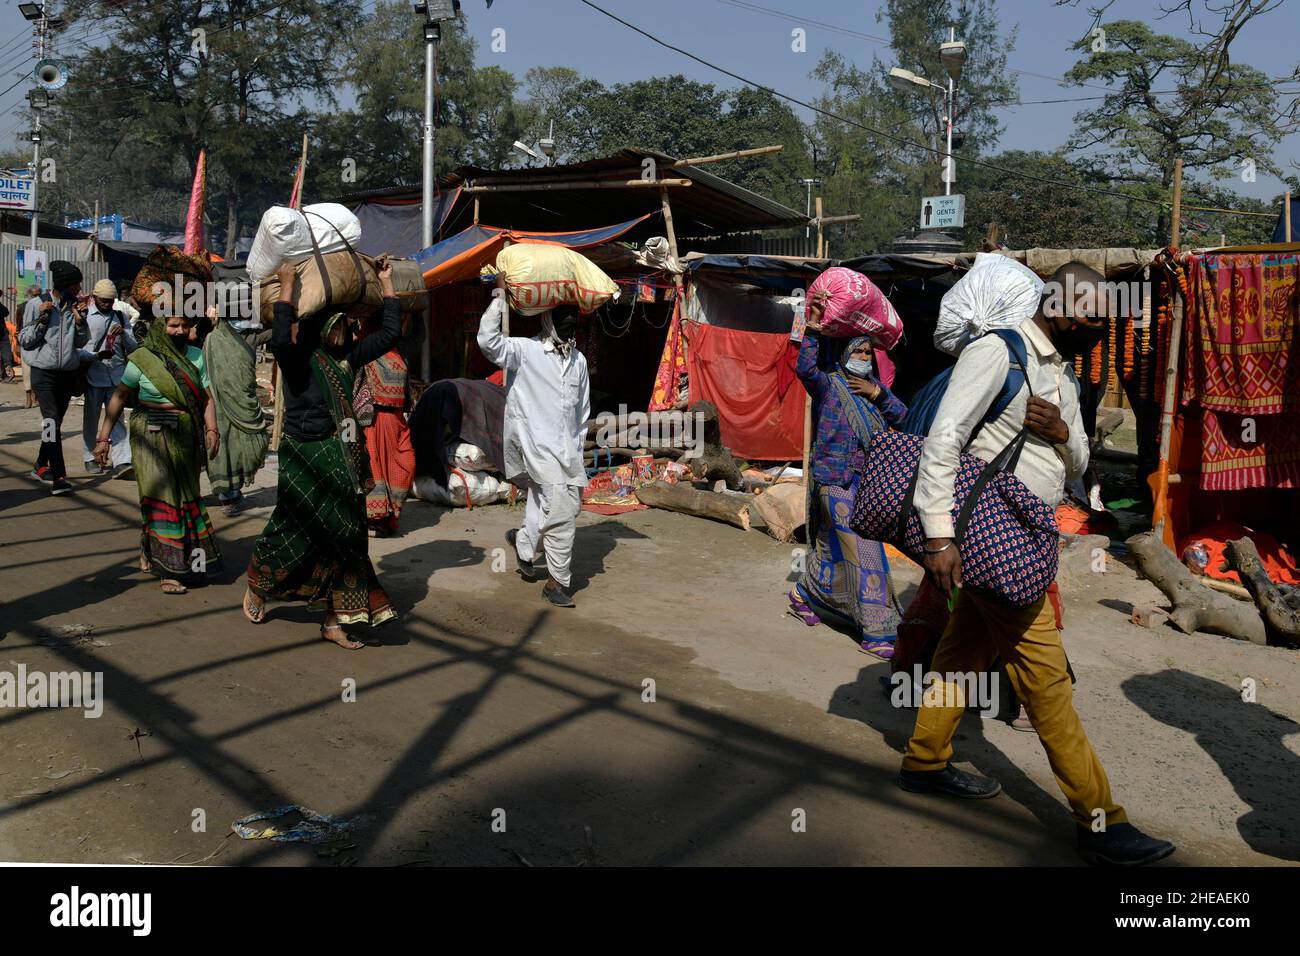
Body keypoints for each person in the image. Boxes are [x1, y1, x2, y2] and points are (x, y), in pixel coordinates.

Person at [899, 262, 1175, 866]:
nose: (1098, 329)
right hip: (988, 534)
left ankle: (924, 761)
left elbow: (1078, 463)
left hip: (1026, 535)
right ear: (1059, 306)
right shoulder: (997, 353)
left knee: (961, 650)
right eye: (1092, 317)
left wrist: (1057, 431)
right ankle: (1101, 821)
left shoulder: (1063, 375)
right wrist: (938, 538)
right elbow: (944, 441)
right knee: (1047, 680)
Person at [242, 261, 402, 649]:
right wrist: (285, 287)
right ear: (319, 327)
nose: (342, 331)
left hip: (340, 454)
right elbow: (279, 341)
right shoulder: (299, 358)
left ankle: (334, 621)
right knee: (293, 529)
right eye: (334, 324)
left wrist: (386, 284)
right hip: (304, 454)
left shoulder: (348, 358)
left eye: (345, 325)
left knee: (346, 535)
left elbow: (390, 334)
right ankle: (259, 585)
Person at [789, 299, 908, 660]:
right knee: (865, 550)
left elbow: (904, 417)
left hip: (865, 483)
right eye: (858, 350)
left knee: (834, 549)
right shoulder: (829, 385)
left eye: (869, 351)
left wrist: (880, 394)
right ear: (843, 354)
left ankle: (804, 594)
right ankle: (876, 630)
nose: (865, 356)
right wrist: (812, 325)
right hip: (834, 481)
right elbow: (804, 367)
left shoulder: (873, 393)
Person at [477, 281, 590, 608]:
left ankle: (524, 543)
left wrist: (578, 448)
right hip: (536, 446)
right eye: (562, 315)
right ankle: (557, 582)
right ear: (547, 318)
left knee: (559, 504)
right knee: (561, 513)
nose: (570, 321)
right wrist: (500, 300)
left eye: (574, 315)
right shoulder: (524, 351)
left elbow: (582, 411)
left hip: (568, 451)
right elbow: (489, 342)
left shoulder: (579, 361)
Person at [94, 310, 223, 594]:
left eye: (184, 325)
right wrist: (104, 438)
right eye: (173, 325)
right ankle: (169, 571)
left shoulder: (196, 356)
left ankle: (155, 551)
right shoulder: (142, 358)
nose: (178, 330)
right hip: (149, 431)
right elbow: (120, 396)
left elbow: (206, 399)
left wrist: (212, 430)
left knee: (187, 496)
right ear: (160, 326)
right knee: (163, 496)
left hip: (185, 431)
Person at [19, 261, 88, 495]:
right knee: (50, 421)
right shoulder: (35, 304)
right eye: (76, 283)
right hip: (43, 373)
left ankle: (40, 465)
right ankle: (59, 476)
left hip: (67, 374)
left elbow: (80, 342)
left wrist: (81, 323)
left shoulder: (74, 307)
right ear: (64, 284)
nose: (79, 288)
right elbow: (25, 340)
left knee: (54, 425)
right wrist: (43, 319)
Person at [203, 305, 270, 517]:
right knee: (224, 447)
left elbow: (280, 330)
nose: (242, 317)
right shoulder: (213, 339)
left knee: (247, 446)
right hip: (219, 403)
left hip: (245, 401)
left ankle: (235, 488)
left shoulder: (253, 336)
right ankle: (226, 496)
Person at [356, 314, 415, 535]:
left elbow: (416, 334)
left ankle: (388, 516)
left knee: (406, 464)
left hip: (397, 419)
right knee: (376, 470)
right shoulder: (365, 348)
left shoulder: (398, 350)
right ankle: (377, 518)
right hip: (374, 419)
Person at [81, 279, 137, 478]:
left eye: (110, 301)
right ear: (95, 298)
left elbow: (134, 347)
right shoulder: (85, 317)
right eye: (103, 300)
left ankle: (122, 461)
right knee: (91, 419)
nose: (107, 304)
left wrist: (124, 334)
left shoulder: (121, 318)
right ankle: (90, 457)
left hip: (116, 376)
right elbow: (78, 349)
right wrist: (95, 356)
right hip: (93, 376)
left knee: (118, 419)